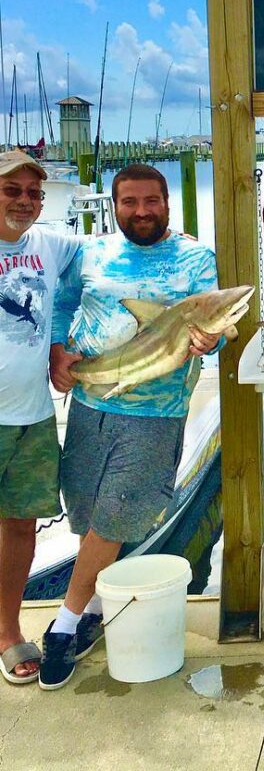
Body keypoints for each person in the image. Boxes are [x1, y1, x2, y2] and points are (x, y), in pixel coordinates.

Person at [42, 163, 223, 690]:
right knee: (84, 509)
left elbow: (216, 328)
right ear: (115, 205)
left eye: (151, 201)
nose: (142, 211)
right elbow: (62, 303)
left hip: (156, 411)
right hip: (90, 400)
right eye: (130, 202)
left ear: (167, 202)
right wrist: (57, 350)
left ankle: (64, 624)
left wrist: (211, 341)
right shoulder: (91, 252)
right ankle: (98, 608)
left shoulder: (195, 258)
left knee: (115, 515)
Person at [0, 151, 80, 685]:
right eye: (12, 190)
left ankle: (7, 631)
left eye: (34, 193)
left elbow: (112, 250)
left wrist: (174, 241)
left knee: (19, 525)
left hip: (31, 414)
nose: (25, 201)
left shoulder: (50, 245)